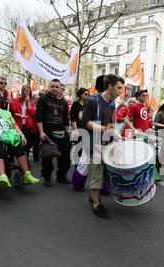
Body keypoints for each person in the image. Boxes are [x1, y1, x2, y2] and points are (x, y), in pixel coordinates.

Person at [81, 74, 124, 218]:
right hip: (93, 144)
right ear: (110, 86)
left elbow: (109, 126)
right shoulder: (93, 101)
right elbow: (86, 122)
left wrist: (117, 136)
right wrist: (105, 129)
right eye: (118, 88)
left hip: (105, 145)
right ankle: (96, 204)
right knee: (96, 176)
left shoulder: (110, 104)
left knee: (105, 174)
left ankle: (93, 196)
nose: (120, 92)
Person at [0, 92, 39, 188]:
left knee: (18, 147)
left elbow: (14, 126)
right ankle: (3, 177)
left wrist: (22, 136)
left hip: (7, 139)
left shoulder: (5, 113)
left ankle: (27, 174)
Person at [36, 79, 71, 187]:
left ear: (61, 89)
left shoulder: (64, 102)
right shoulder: (43, 99)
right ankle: (47, 178)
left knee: (66, 157)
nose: (54, 88)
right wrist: (41, 133)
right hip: (47, 133)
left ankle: (61, 176)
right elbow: (39, 117)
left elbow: (66, 118)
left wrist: (67, 133)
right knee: (47, 157)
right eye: (52, 86)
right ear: (49, 88)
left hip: (62, 133)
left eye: (57, 87)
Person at [10, 85, 35, 155]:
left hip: (27, 126)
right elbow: (13, 111)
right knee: (16, 142)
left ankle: (25, 157)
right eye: (26, 91)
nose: (28, 93)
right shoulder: (16, 100)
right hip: (18, 125)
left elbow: (32, 113)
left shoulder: (31, 101)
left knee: (27, 143)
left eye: (29, 91)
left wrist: (28, 103)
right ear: (22, 91)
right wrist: (20, 115)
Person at [30, 94, 40, 163]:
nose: (37, 100)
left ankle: (36, 158)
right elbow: (33, 113)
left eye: (38, 98)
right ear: (33, 99)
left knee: (37, 144)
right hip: (31, 127)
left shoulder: (40, 106)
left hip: (38, 128)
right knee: (29, 144)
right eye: (36, 98)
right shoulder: (31, 105)